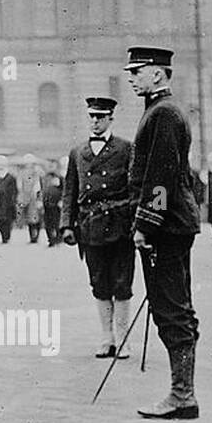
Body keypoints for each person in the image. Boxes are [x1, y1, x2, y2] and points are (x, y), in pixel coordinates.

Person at [124, 46, 201, 420]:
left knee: (172, 308)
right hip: (170, 225)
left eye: (137, 70)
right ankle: (181, 392)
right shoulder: (159, 111)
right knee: (170, 306)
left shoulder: (164, 114)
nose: (131, 77)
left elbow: (160, 178)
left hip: (166, 227)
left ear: (158, 73)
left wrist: (144, 226)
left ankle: (182, 395)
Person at [60, 97, 136, 359]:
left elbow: (136, 187)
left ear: (110, 119)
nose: (95, 121)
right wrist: (66, 225)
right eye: (92, 116)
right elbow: (70, 191)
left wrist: (141, 222)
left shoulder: (126, 149)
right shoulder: (78, 152)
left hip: (120, 225)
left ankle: (124, 339)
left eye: (100, 117)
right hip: (90, 227)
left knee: (122, 282)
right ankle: (107, 337)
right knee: (99, 283)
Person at [17, 154, 45, 244]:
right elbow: (20, 184)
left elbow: (39, 184)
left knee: (35, 216)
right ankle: (32, 236)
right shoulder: (22, 172)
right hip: (26, 196)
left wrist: (37, 195)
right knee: (29, 217)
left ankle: (36, 235)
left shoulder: (36, 172)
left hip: (35, 197)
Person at [0, 156, 18, 244]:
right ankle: (3, 235)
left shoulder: (11, 177)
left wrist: (13, 201)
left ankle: (6, 237)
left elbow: (15, 191)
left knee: (7, 220)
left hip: (8, 203)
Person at [41, 160, 64, 246]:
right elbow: (41, 189)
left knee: (57, 222)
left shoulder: (60, 178)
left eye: (53, 166)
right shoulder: (44, 178)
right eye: (49, 166)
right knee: (48, 222)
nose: (51, 168)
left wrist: (61, 200)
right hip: (46, 203)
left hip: (56, 203)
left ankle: (58, 238)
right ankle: (51, 239)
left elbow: (64, 190)